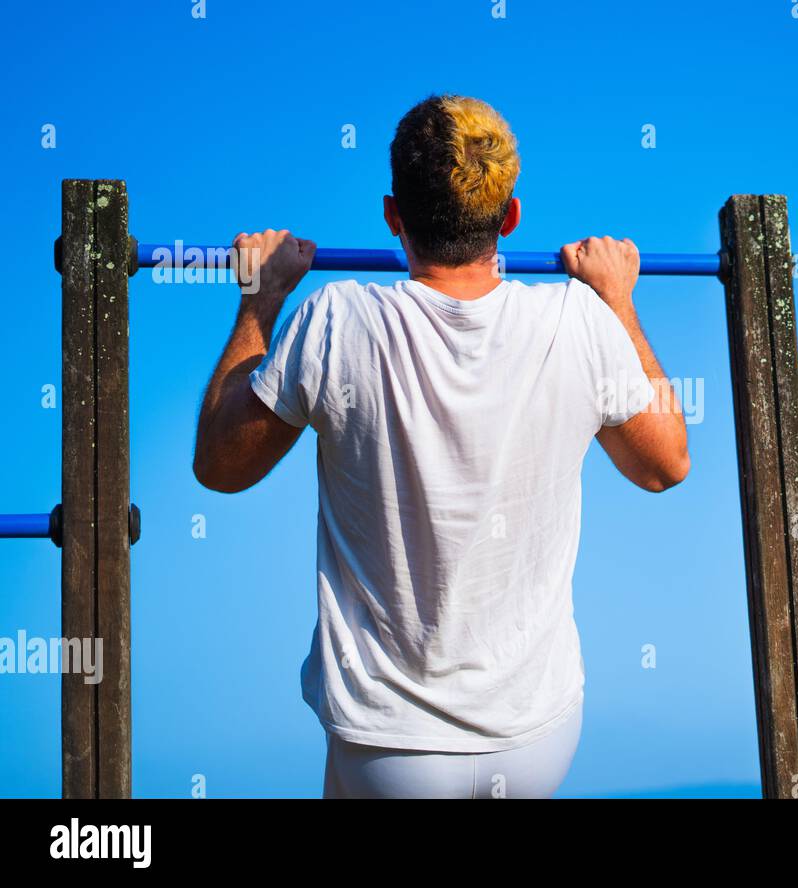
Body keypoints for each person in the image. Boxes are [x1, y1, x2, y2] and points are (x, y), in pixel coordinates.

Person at [191, 94, 689, 798]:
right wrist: (619, 303)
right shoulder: (579, 320)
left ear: (393, 215)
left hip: (387, 746)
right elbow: (667, 464)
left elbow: (219, 466)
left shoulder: (335, 321)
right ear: (511, 215)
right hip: (537, 738)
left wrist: (258, 301)